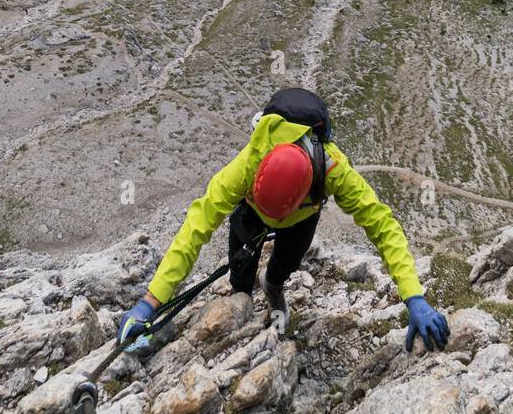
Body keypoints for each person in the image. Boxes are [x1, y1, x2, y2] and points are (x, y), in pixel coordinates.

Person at [117, 86, 449, 353]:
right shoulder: (247, 164)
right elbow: (196, 227)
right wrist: (150, 302)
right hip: (251, 216)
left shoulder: (332, 170)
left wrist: (414, 297)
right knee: (240, 272)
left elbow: (383, 225)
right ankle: (242, 296)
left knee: (285, 264)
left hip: (301, 220)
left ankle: (273, 287)